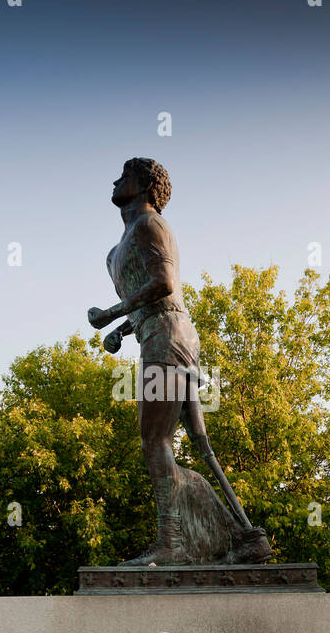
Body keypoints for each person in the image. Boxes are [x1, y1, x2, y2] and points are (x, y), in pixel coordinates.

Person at [88, 157, 270, 566]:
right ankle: (242, 536)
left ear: (147, 185)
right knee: (195, 445)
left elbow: (165, 284)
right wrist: (124, 328)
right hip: (158, 334)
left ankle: (172, 543)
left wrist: (111, 314)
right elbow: (152, 299)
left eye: (126, 175)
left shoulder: (151, 225)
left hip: (171, 338)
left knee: (154, 441)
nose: (117, 180)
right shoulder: (115, 251)